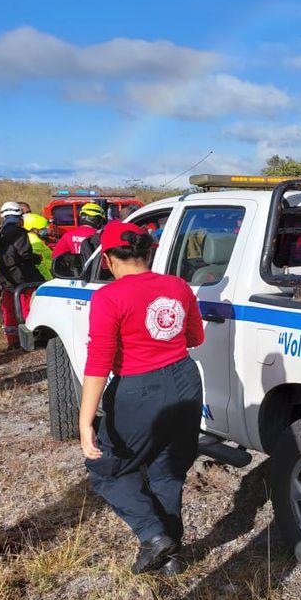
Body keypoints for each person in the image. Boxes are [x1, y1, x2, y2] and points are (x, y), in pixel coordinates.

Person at [78, 221, 204, 575]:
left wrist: (85, 421)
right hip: (185, 381)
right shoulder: (178, 286)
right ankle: (171, 558)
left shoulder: (108, 297)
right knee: (168, 472)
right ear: (148, 252)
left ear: (107, 260)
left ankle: (152, 536)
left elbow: (99, 362)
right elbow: (195, 338)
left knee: (106, 469)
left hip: (139, 388)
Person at [0, 202, 46, 348]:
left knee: (9, 309)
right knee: (26, 307)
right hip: (23, 279)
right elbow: (24, 254)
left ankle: (13, 341)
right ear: (19, 216)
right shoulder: (19, 233)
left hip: (5, 279)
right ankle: (31, 340)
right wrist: (37, 258)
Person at [23, 213, 54, 281]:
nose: (45, 230)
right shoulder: (34, 243)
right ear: (34, 229)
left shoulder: (32, 239)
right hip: (47, 279)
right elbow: (40, 266)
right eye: (42, 229)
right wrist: (50, 280)